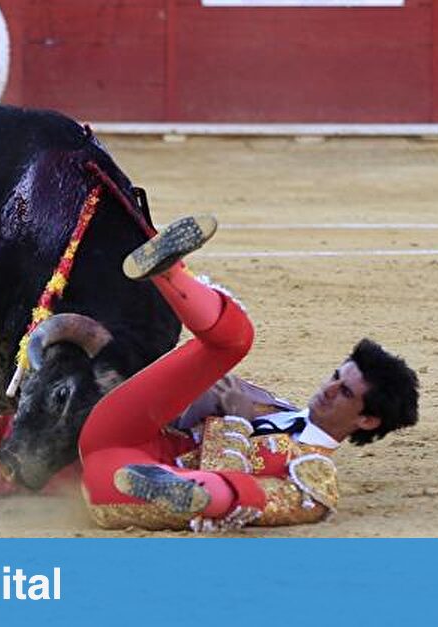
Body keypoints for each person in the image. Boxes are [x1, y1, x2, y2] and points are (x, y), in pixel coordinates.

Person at [78, 214, 420, 531]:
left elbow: (257, 512)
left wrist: (236, 423)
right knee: (234, 343)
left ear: (368, 421)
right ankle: (169, 272)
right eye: (335, 377)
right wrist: (201, 392)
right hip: (121, 431)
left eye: (345, 392)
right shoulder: (274, 404)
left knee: (248, 496)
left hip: (114, 481)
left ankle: (185, 487)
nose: (329, 389)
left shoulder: (314, 475)